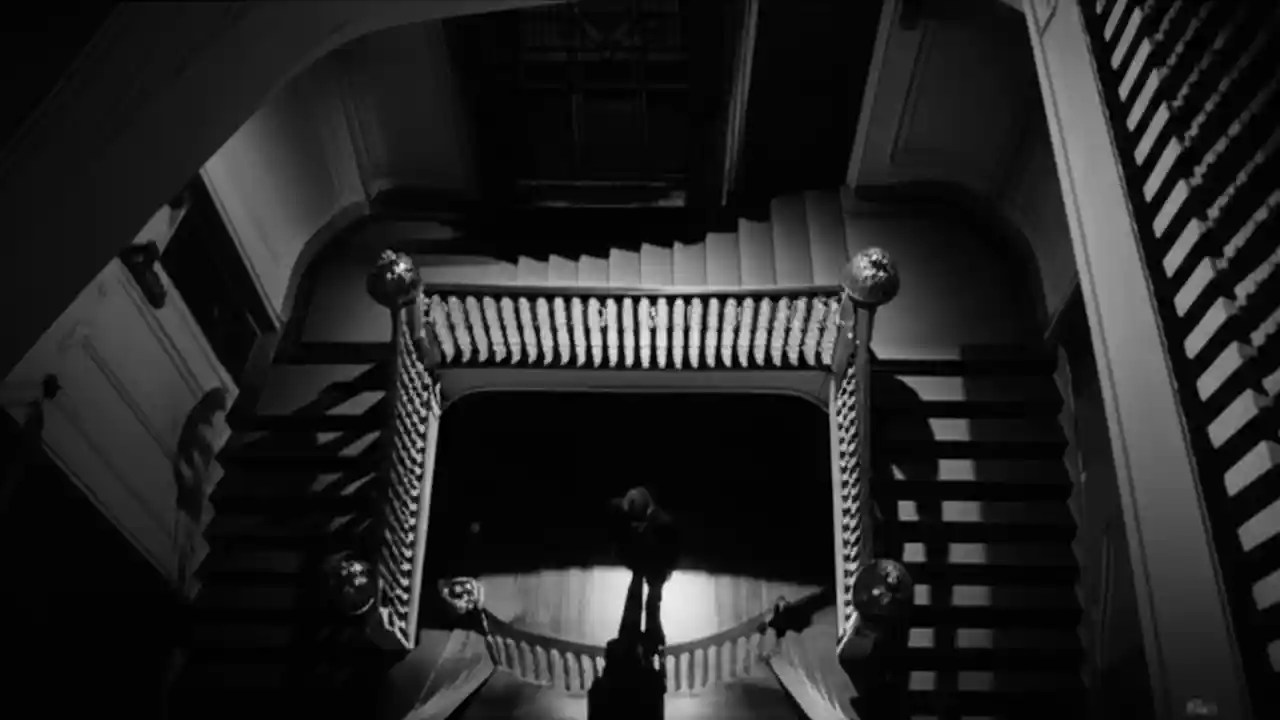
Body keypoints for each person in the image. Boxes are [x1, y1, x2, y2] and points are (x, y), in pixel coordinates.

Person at [607, 486, 679, 651]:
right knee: (645, 598)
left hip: (654, 563)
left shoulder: (659, 524)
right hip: (650, 562)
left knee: (648, 599)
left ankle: (647, 639)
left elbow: (667, 549)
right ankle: (644, 639)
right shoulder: (650, 521)